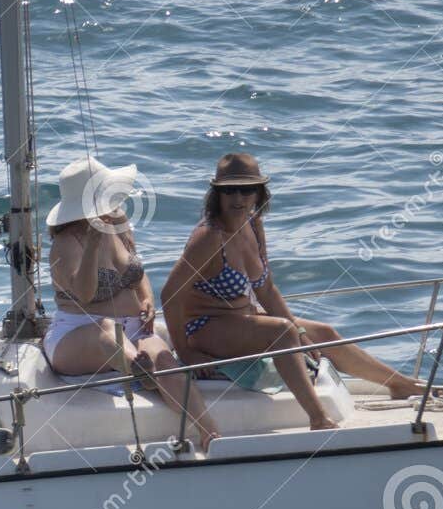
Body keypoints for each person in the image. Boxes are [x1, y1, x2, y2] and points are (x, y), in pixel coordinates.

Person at [162, 153, 422, 431]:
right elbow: (169, 294)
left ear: (259, 192)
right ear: (217, 194)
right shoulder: (210, 237)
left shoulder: (252, 224)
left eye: (247, 189)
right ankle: (318, 419)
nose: (238, 198)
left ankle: (399, 384)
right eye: (229, 190)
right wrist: (187, 354)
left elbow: (267, 289)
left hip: (242, 320)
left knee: (321, 333)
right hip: (205, 329)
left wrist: (301, 336)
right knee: (283, 332)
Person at [45, 155, 220, 452]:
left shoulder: (120, 221)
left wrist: (148, 299)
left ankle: (210, 432)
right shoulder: (65, 244)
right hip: (79, 334)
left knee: (164, 358)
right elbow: (85, 294)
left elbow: (137, 272)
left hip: (133, 329)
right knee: (107, 329)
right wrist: (92, 245)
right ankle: (137, 368)